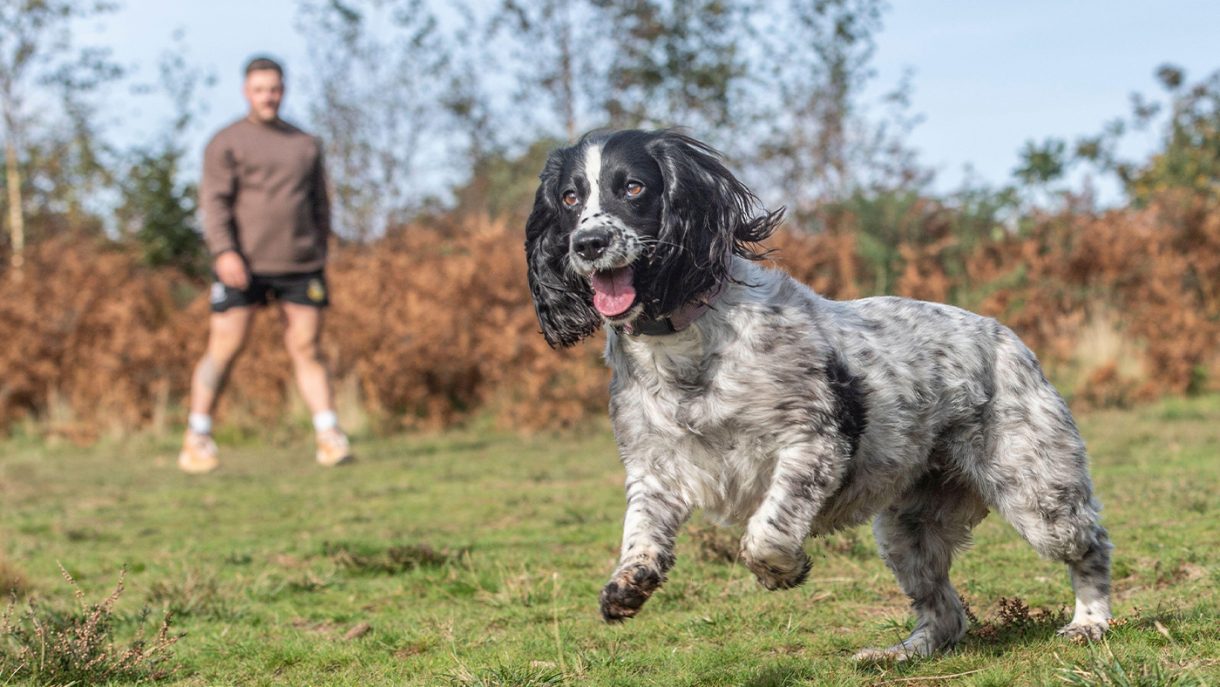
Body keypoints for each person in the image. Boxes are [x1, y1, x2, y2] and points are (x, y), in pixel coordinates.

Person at [178, 56, 351, 473]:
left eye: (274, 88)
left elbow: (319, 203)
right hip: (242, 265)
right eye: (259, 89)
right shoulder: (226, 142)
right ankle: (197, 437)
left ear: (283, 90)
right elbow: (214, 204)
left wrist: (322, 247)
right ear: (246, 92)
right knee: (225, 346)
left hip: (300, 262)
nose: (267, 96)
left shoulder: (305, 144)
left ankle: (329, 436)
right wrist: (224, 252)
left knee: (307, 348)